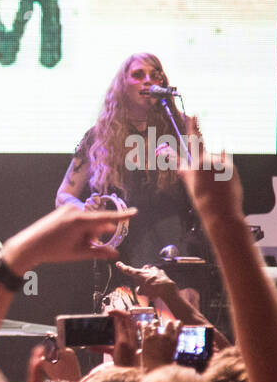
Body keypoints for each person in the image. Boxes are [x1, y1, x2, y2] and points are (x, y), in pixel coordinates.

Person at [55, 53, 204, 269]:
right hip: (120, 254)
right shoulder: (100, 135)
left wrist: (182, 166)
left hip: (175, 252)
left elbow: (209, 192)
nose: (148, 81)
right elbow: (63, 196)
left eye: (155, 76)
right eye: (138, 75)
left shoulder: (181, 128)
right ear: (123, 85)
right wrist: (84, 209)